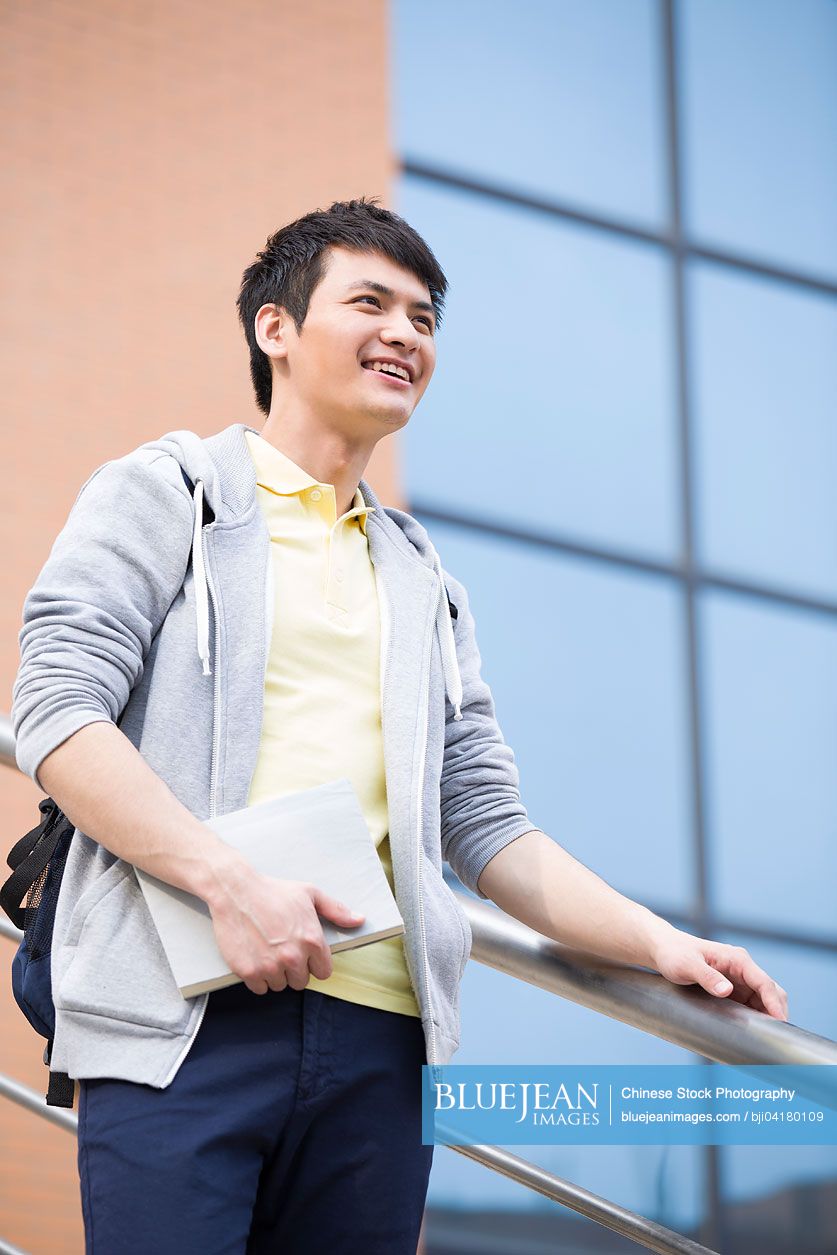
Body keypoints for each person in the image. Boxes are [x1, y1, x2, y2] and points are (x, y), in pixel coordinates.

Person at [11, 197, 789, 1255]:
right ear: (273, 329)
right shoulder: (169, 492)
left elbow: (487, 824)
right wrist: (229, 884)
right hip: (177, 1025)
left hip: (381, 1046)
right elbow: (56, 711)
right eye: (370, 302)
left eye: (425, 318)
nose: (406, 335)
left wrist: (664, 943)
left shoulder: (424, 580)